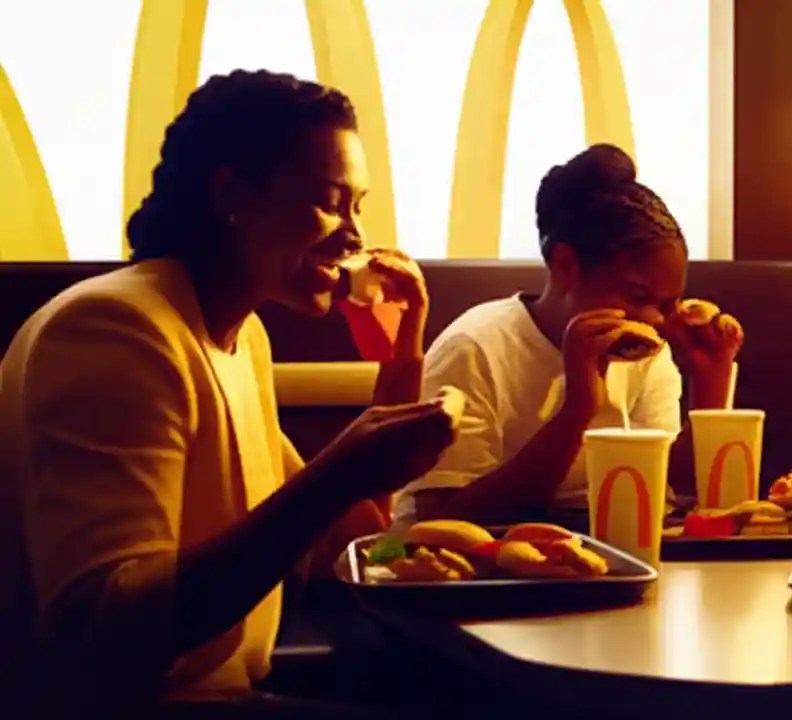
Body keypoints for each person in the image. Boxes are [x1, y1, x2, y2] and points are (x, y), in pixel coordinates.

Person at [0, 70, 454, 717]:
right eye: (330, 201)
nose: (354, 234)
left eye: (358, 206)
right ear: (232, 191)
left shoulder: (239, 337)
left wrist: (406, 350)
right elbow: (100, 631)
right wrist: (337, 474)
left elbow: (357, 540)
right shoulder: (115, 328)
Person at [402, 144, 742, 524]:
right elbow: (444, 516)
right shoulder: (475, 348)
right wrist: (578, 409)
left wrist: (710, 384)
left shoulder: (646, 353)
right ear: (566, 266)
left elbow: (663, 490)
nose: (655, 320)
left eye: (667, 304)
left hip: (603, 565)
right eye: (637, 296)